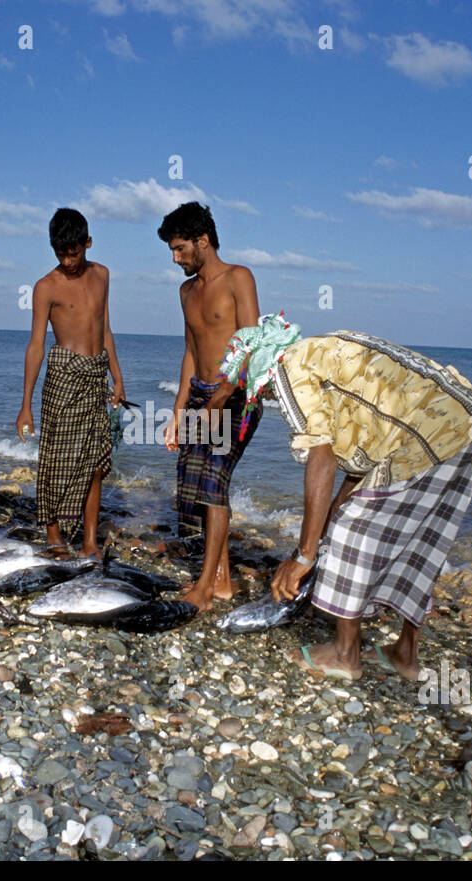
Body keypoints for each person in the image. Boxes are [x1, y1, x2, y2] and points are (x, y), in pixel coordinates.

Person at [241, 322, 472, 682]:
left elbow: (322, 459)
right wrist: (322, 530)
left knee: (352, 531)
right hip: (471, 418)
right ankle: (405, 654)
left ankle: (346, 655)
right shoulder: (322, 357)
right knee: (421, 543)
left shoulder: (289, 367)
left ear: (261, 373)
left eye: (263, 394)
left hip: (437, 427)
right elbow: (360, 463)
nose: (269, 400)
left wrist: (304, 555)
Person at [158, 202, 261, 611]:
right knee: (196, 487)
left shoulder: (239, 278)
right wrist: (180, 412)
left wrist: (217, 403)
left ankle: (203, 587)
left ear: (203, 241)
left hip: (235, 396)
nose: (174, 257)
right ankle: (221, 580)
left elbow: (253, 348)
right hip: (200, 397)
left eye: (180, 248)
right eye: (171, 249)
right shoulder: (186, 291)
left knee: (214, 482)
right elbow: (190, 352)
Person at [16, 208, 124, 558]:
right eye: (60, 252)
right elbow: (36, 345)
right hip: (63, 377)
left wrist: (117, 379)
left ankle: (89, 540)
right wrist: (25, 406)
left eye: (73, 252)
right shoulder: (46, 287)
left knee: (94, 462)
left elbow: (105, 328)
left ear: (87, 243)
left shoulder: (103, 275)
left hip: (96, 376)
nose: (68, 259)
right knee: (55, 458)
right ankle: (53, 533)